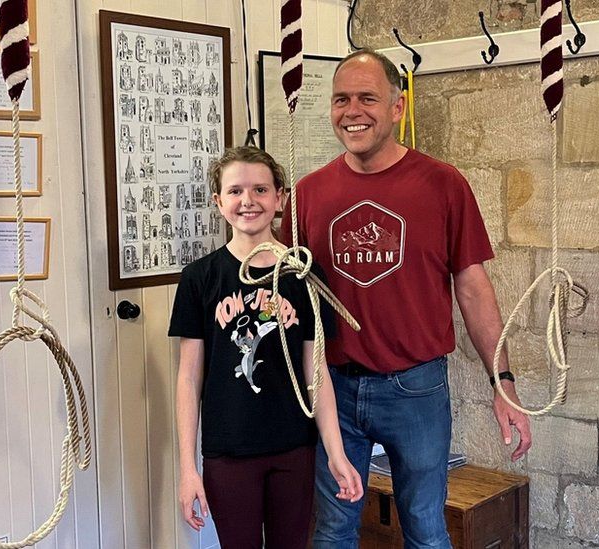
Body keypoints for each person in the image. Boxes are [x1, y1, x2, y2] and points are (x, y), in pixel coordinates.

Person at [280, 49, 533, 548]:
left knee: (424, 527)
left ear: (397, 107)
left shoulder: (442, 184)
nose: (352, 111)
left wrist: (502, 382)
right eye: (341, 100)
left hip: (416, 390)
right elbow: (288, 289)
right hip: (335, 389)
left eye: (367, 98)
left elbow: (473, 286)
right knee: (332, 530)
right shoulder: (308, 193)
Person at [170, 146, 364, 549]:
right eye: (236, 190)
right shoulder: (200, 278)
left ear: (280, 198)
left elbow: (317, 372)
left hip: (293, 447)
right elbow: (188, 378)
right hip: (228, 452)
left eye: (260, 189)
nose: (248, 201)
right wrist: (187, 468)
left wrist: (336, 453)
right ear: (218, 200)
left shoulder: (304, 275)